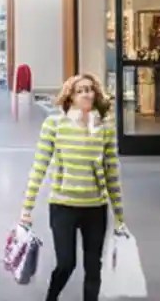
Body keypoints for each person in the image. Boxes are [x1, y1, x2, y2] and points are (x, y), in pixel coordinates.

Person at [20, 73, 126, 301]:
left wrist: (119, 214)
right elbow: (39, 167)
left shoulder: (105, 127)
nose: (87, 94)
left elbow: (112, 172)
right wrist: (26, 209)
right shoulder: (54, 124)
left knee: (93, 266)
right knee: (66, 263)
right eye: (81, 91)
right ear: (70, 97)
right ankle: (51, 297)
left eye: (90, 89)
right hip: (63, 206)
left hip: (95, 207)